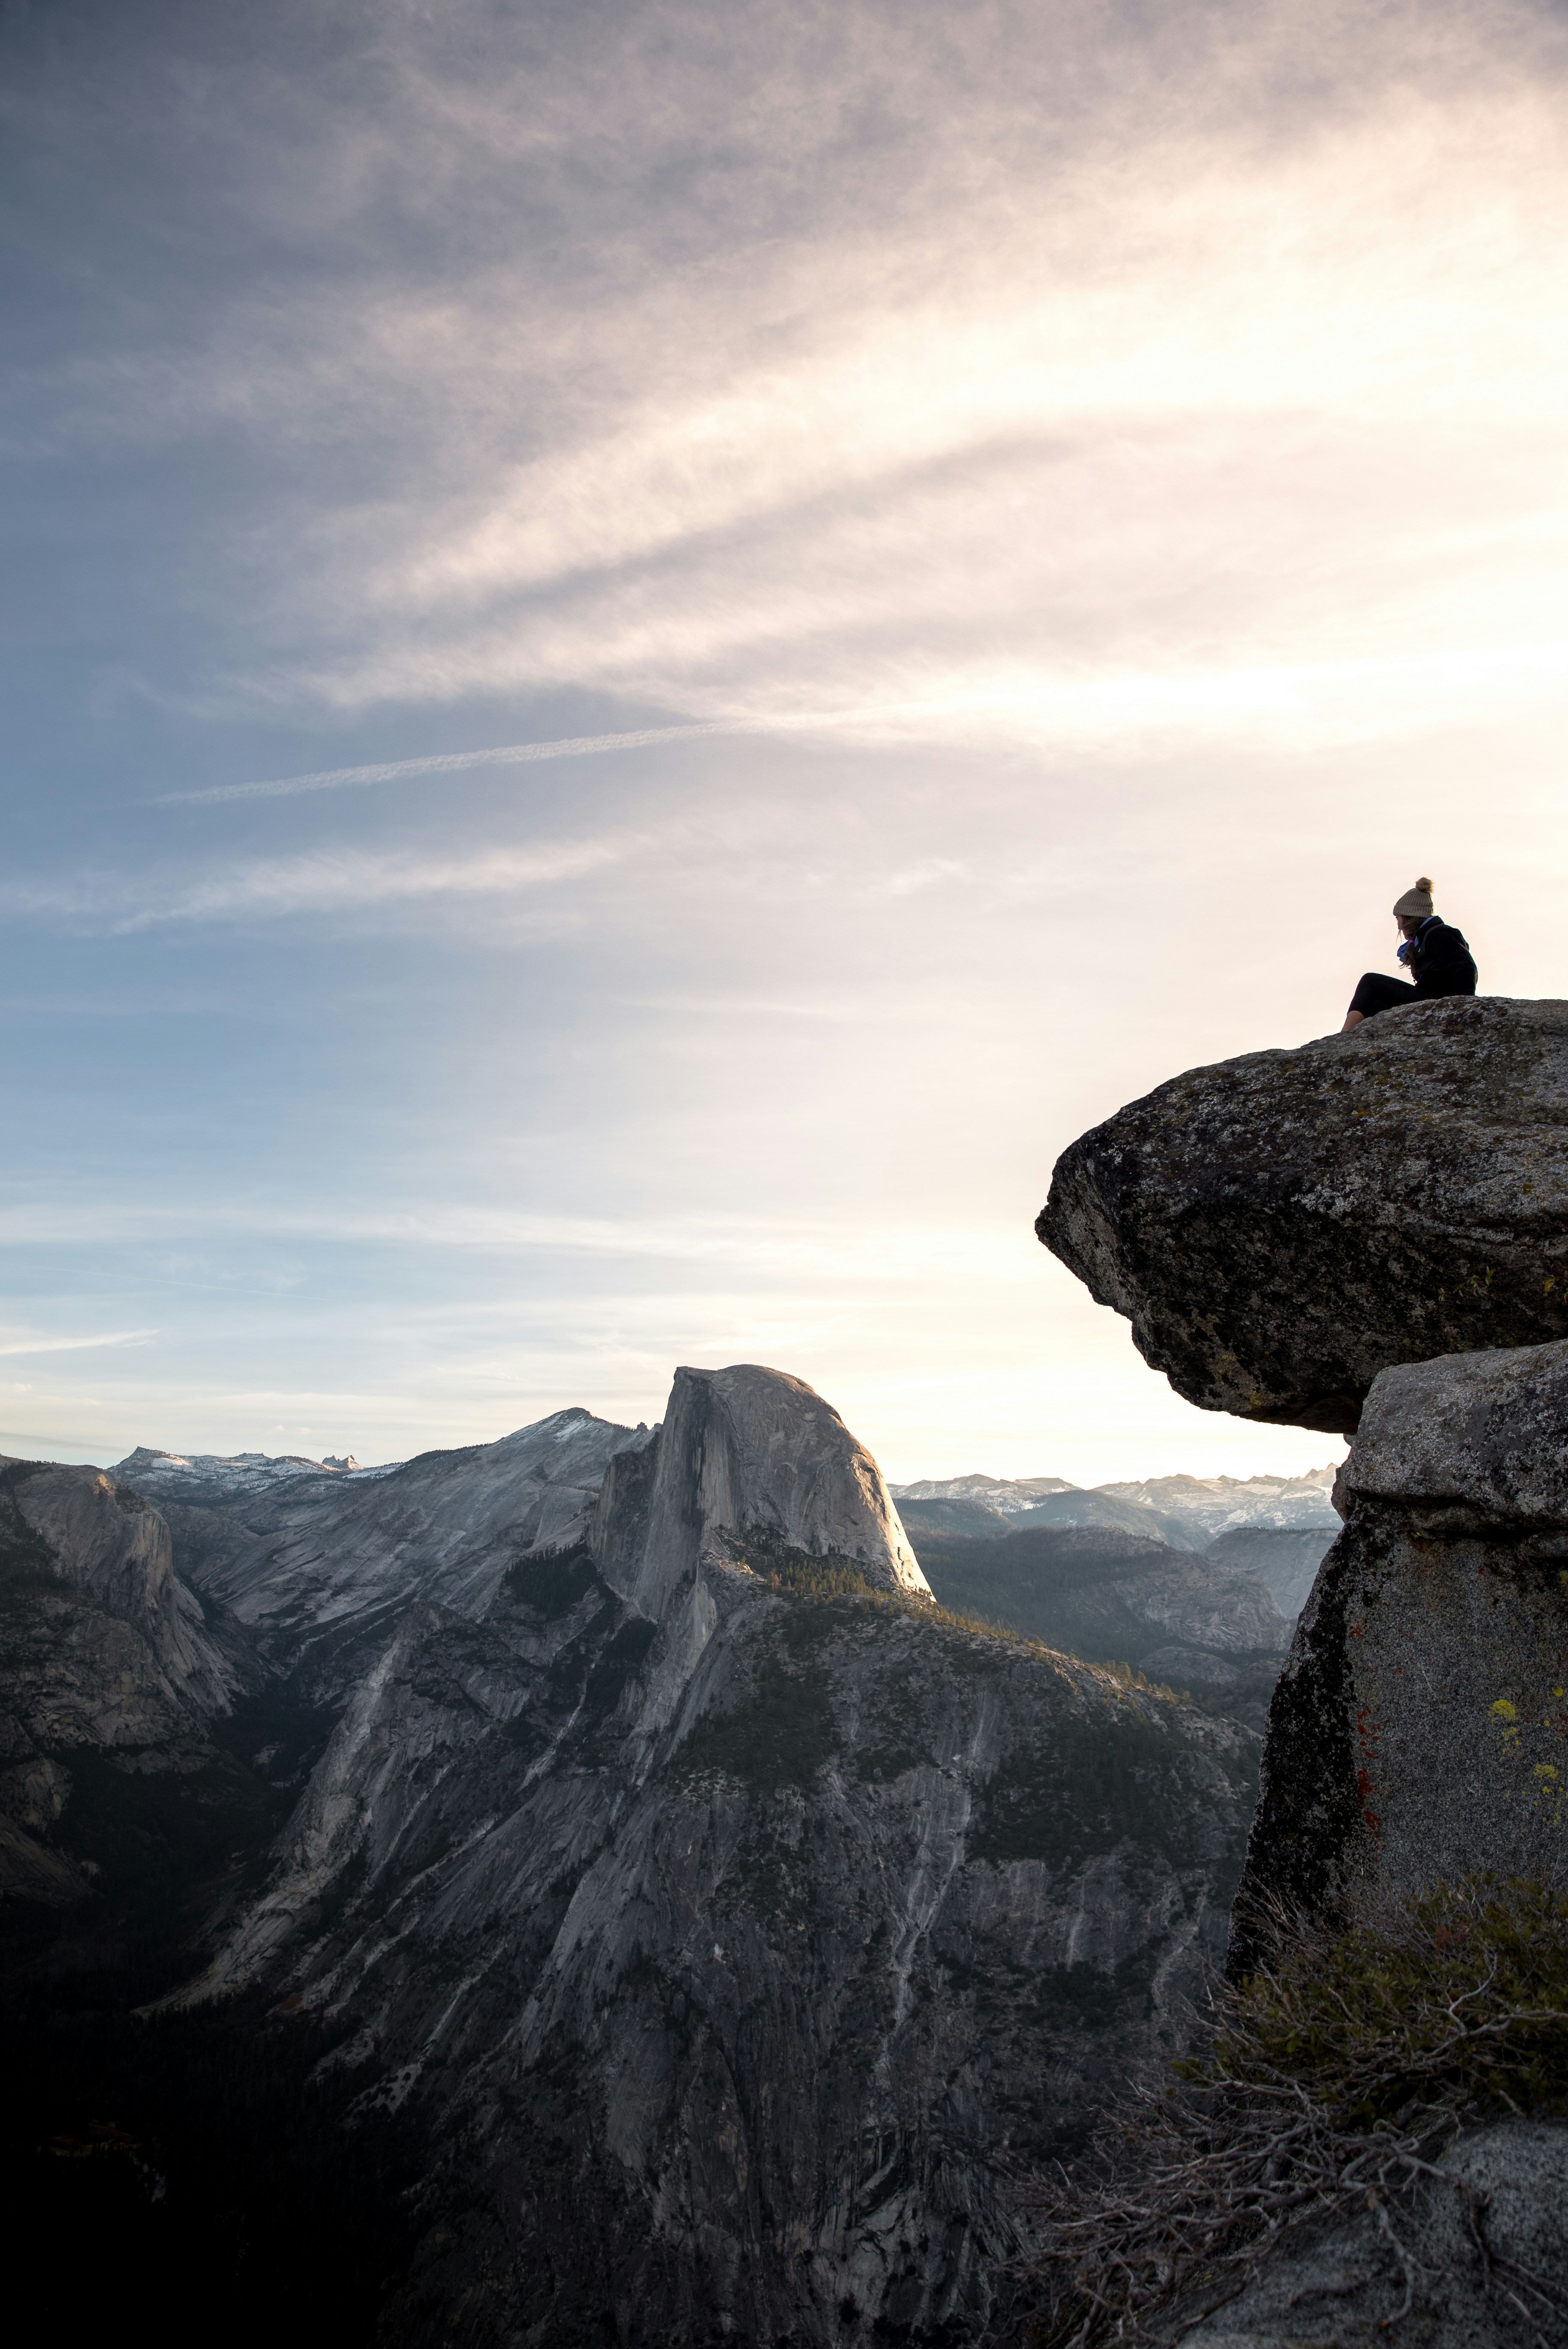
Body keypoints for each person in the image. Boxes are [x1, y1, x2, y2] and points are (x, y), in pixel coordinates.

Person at [1340, 878, 1477, 1031]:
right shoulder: (1422, 941)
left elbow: (1465, 967)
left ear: (1409, 916)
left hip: (1441, 1003)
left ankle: (1343, 1035)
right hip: (1433, 1001)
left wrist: (1462, 1007)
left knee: (1370, 982)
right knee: (1376, 1006)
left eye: (1398, 918)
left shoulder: (1439, 933)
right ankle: (1353, 1040)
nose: (1398, 924)